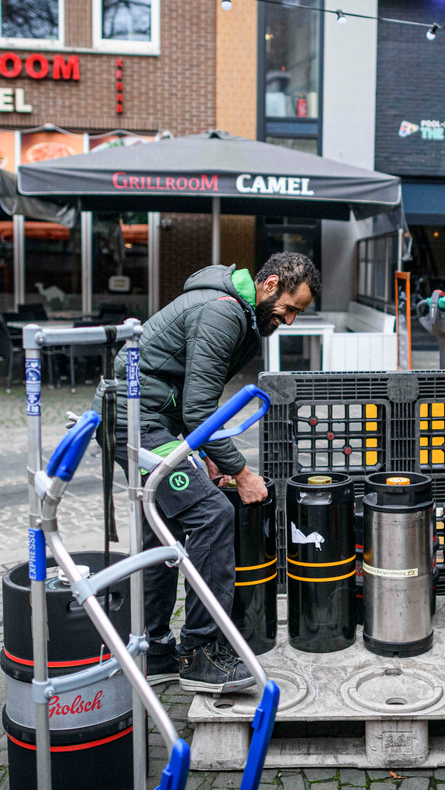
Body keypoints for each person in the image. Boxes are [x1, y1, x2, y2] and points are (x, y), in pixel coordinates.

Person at [95, 252, 320, 692]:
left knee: (161, 528)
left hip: (151, 420)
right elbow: (199, 410)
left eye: (298, 313)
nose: (290, 321)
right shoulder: (222, 313)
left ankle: (153, 652)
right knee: (212, 514)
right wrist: (241, 472)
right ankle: (199, 653)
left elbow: (186, 394)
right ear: (271, 284)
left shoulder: (236, 313)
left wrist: (209, 454)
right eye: (291, 307)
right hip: (137, 424)